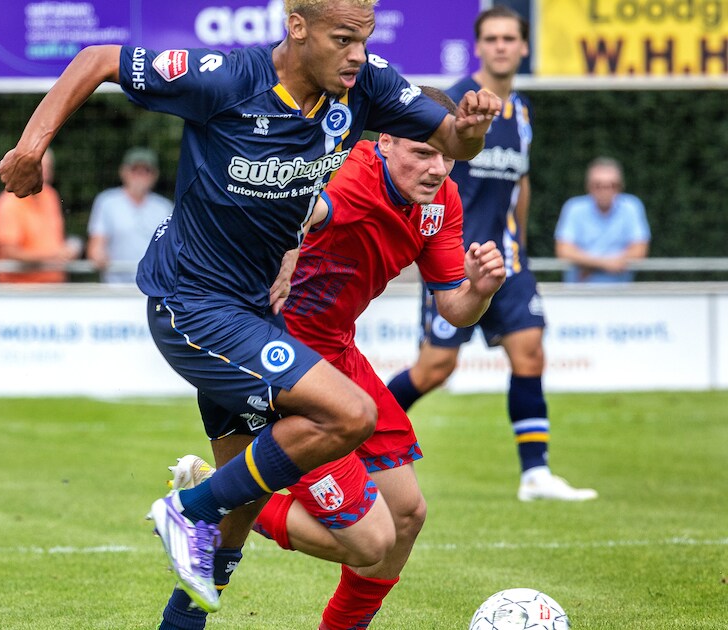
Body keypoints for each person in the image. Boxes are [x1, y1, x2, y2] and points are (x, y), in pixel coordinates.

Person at [0, 0, 501, 615]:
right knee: (349, 416)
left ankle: (196, 557)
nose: (358, 56)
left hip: (253, 317)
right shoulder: (228, 80)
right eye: (344, 40)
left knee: (220, 555)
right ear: (298, 28)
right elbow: (99, 58)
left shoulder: (366, 86)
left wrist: (471, 128)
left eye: (364, 40)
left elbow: (452, 141)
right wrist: (30, 149)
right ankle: (188, 508)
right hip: (193, 307)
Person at [169, 87, 507, 630]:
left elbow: (455, 309)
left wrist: (483, 289)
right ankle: (221, 489)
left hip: (338, 352)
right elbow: (288, 201)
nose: (437, 168)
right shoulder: (344, 172)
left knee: (408, 514)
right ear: (387, 139)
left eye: (445, 155)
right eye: (422, 152)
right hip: (277, 352)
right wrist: (286, 243)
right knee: (370, 541)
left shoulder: (441, 201)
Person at [385, 6, 598, 503]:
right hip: (455, 261)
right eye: (492, 38)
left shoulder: (521, 111)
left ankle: (535, 474)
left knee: (530, 353)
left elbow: (520, 183)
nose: (502, 46)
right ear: (479, 46)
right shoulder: (452, 103)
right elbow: (423, 178)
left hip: (509, 262)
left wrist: (518, 246)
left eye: (510, 39)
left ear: (523, 48)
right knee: (435, 369)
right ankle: (358, 434)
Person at [554, 157, 650, 284]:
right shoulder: (574, 207)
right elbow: (564, 251)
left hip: (622, 296)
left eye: (612, 185)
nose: (605, 191)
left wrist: (589, 265)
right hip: (578, 296)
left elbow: (639, 250)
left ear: (620, 187)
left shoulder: (631, 207)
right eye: (598, 185)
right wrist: (607, 264)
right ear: (588, 186)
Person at [86, 147, 173, 284]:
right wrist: (98, 255)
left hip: (153, 287)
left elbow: (170, 249)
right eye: (135, 170)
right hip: (116, 288)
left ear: (155, 175)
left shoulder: (164, 207)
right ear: (123, 172)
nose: (140, 175)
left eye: (146, 171)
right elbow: (96, 245)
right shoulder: (107, 202)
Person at [0, 148, 79, 283]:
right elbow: (10, 252)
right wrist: (56, 254)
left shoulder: (50, 196)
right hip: (20, 292)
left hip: (53, 288)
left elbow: (54, 242)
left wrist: (68, 249)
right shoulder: (8, 204)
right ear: (24, 169)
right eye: (40, 166)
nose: (46, 173)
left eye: (49, 167)